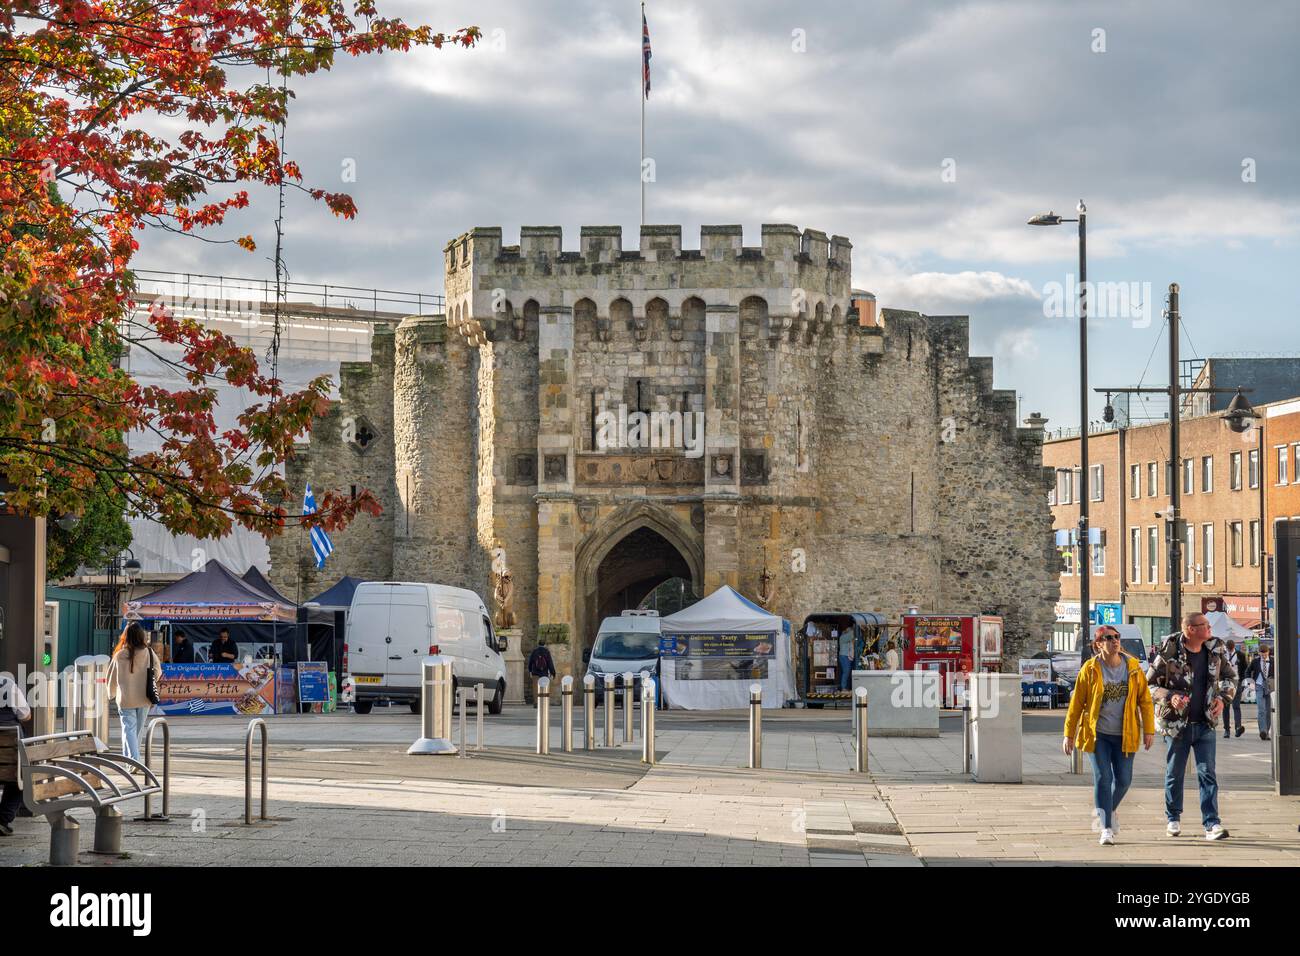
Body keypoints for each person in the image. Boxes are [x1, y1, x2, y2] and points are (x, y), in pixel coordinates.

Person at [1062, 625, 1155, 846]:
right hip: (1098, 734)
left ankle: (1109, 810)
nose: (1114, 641)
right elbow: (1077, 704)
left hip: (1126, 732)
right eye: (1108, 638)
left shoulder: (1132, 667)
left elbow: (1145, 700)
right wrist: (1069, 733)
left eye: (1117, 637)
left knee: (1123, 780)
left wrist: (1149, 729)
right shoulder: (1090, 668)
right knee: (1103, 778)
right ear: (1098, 644)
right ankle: (1105, 828)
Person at [1149, 611, 1237, 841]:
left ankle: (1212, 824)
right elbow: (1148, 685)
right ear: (1190, 630)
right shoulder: (1169, 652)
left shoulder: (1215, 650)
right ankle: (1173, 818)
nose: (1209, 629)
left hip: (1205, 722)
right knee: (1174, 773)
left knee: (1208, 773)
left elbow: (1230, 677)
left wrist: (1223, 698)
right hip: (1177, 725)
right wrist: (1169, 696)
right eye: (1204, 625)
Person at [107, 623, 161, 762]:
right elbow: (158, 671)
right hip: (144, 698)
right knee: (138, 730)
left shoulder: (119, 655)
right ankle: (132, 760)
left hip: (126, 699)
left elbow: (112, 677)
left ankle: (132, 760)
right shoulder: (149, 653)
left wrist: (111, 693)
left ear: (126, 636)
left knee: (128, 729)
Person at [0, 672, 32, 836]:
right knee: (20, 775)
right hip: (11, 763)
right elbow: (25, 715)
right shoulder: (7, 683)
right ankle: (3, 819)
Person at [1247, 645, 1274, 740]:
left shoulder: (1274, 661)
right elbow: (1247, 671)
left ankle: (1266, 731)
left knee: (1268, 711)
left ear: (1268, 652)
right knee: (1261, 710)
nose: (1263, 656)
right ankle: (1263, 731)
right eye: (1261, 654)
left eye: (1265, 654)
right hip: (1259, 686)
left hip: (1270, 688)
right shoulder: (1255, 661)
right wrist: (1250, 683)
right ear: (1259, 653)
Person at [1223, 639, 1247, 739]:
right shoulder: (1223, 655)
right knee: (1226, 707)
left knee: (1236, 706)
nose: (1229, 650)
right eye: (1229, 649)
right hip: (1226, 683)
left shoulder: (1240, 655)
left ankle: (1237, 728)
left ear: (1233, 647)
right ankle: (1227, 730)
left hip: (1238, 682)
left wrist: (1243, 681)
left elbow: (1245, 668)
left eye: (1230, 649)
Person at [526, 639, 556, 706]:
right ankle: (543, 702)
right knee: (544, 687)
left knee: (535, 688)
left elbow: (530, 662)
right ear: (544, 644)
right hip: (544, 673)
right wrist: (553, 672)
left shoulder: (534, 651)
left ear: (538, 644)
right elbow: (550, 663)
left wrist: (530, 670)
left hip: (535, 672)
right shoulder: (547, 651)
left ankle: (536, 703)